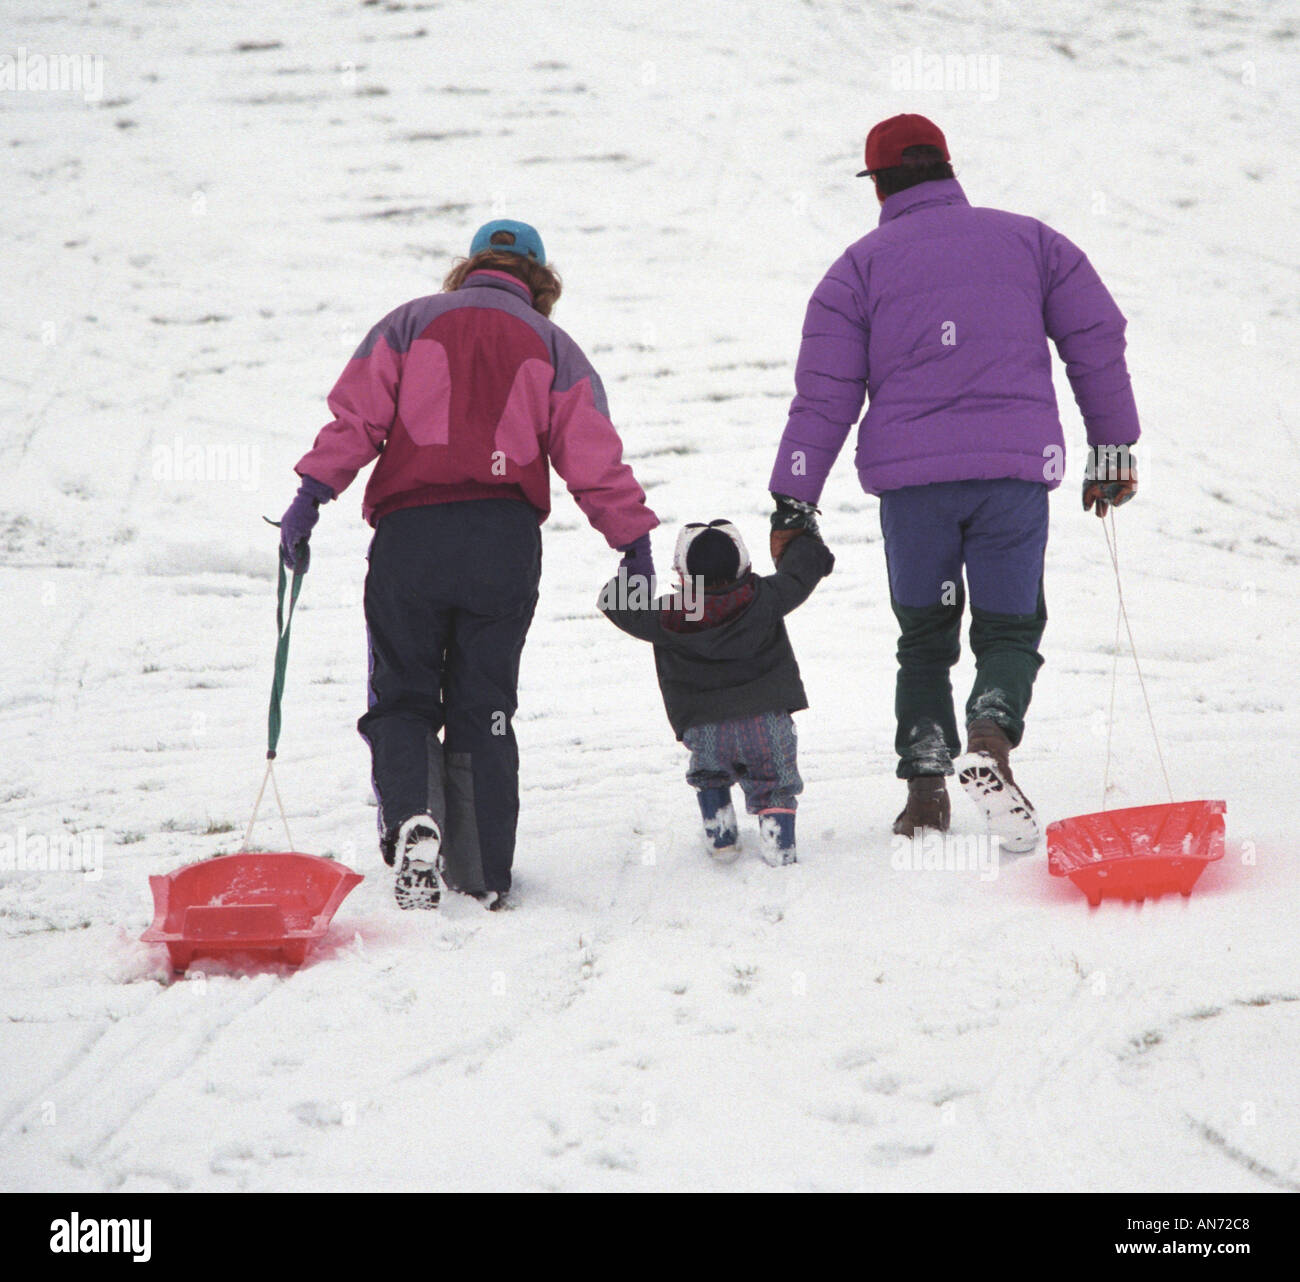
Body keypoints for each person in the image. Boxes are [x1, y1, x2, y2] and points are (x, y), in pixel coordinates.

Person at [768, 114, 1140, 852]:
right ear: (947, 167)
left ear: (877, 183)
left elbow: (824, 397)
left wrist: (793, 500)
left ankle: (925, 793)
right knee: (1008, 627)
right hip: (1010, 477)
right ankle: (992, 739)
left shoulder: (857, 269)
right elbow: (1095, 339)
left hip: (914, 492)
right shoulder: (1033, 242)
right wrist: (1113, 448)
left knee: (924, 638)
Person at [278, 219, 658, 909]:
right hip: (502, 540)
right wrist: (633, 542)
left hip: (410, 536)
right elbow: (591, 456)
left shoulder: (406, 324)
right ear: (539, 281)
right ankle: (481, 873)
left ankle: (414, 818)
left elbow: (354, 423)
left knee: (402, 697)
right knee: (486, 706)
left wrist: (310, 497)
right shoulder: (554, 346)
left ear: (471, 265)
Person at [599, 519, 834, 866]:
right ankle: (779, 846)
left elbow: (619, 604)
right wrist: (801, 537)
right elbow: (800, 574)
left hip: (705, 727)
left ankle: (721, 838)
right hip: (767, 722)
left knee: (710, 774)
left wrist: (637, 557)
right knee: (775, 785)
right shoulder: (764, 598)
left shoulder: (670, 615)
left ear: (681, 574)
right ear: (744, 565)